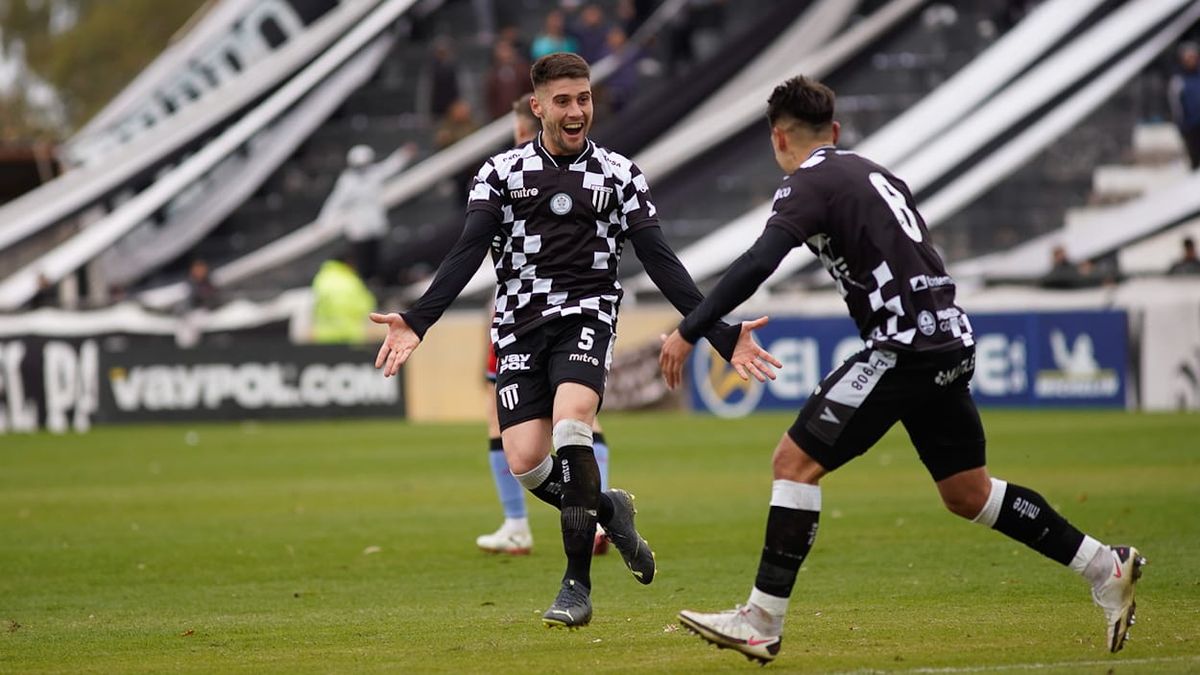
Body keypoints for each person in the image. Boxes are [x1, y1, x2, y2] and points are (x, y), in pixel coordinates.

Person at [659, 75, 1145, 665]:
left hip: (904, 349)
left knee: (793, 462)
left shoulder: (807, 182)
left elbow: (760, 260)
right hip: (949, 340)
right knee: (967, 493)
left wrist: (690, 330)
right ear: (834, 131)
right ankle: (1104, 564)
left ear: (778, 138)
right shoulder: (878, 174)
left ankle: (760, 621)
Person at [370, 52, 773, 628]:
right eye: (563, 100)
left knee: (572, 424)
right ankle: (611, 508)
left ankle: (575, 585)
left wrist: (721, 333)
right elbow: (466, 252)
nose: (576, 109)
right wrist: (420, 318)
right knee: (527, 462)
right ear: (537, 107)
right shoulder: (500, 174)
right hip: (517, 327)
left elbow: (661, 261)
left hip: (587, 317)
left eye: (583, 98)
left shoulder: (619, 175)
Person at [475, 97, 614, 557]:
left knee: (572, 417)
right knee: (545, 430)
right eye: (518, 141)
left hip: (563, 308)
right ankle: (596, 516)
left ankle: (528, 523)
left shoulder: (586, 176)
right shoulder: (502, 181)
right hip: (519, 311)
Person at [317, 143, 417, 287]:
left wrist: (404, 154)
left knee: (376, 261)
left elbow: (390, 167)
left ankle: (377, 286)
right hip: (358, 229)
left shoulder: (374, 174)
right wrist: (323, 223)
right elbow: (334, 202)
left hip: (375, 226)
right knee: (362, 263)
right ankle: (364, 287)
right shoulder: (347, 181)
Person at [311, 249, 377, 344]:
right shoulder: (351, 280)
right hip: (350, 334)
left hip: (325, 335)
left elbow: (316, 304)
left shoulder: (321, 278)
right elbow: (366, 305)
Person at [1167, 42, 1200, 169]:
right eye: (1188, 57)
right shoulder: (1178, 80)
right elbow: (1176, 106)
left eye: (1193, 57)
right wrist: (1181, 126)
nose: (1191, 60)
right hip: (1191, 126)